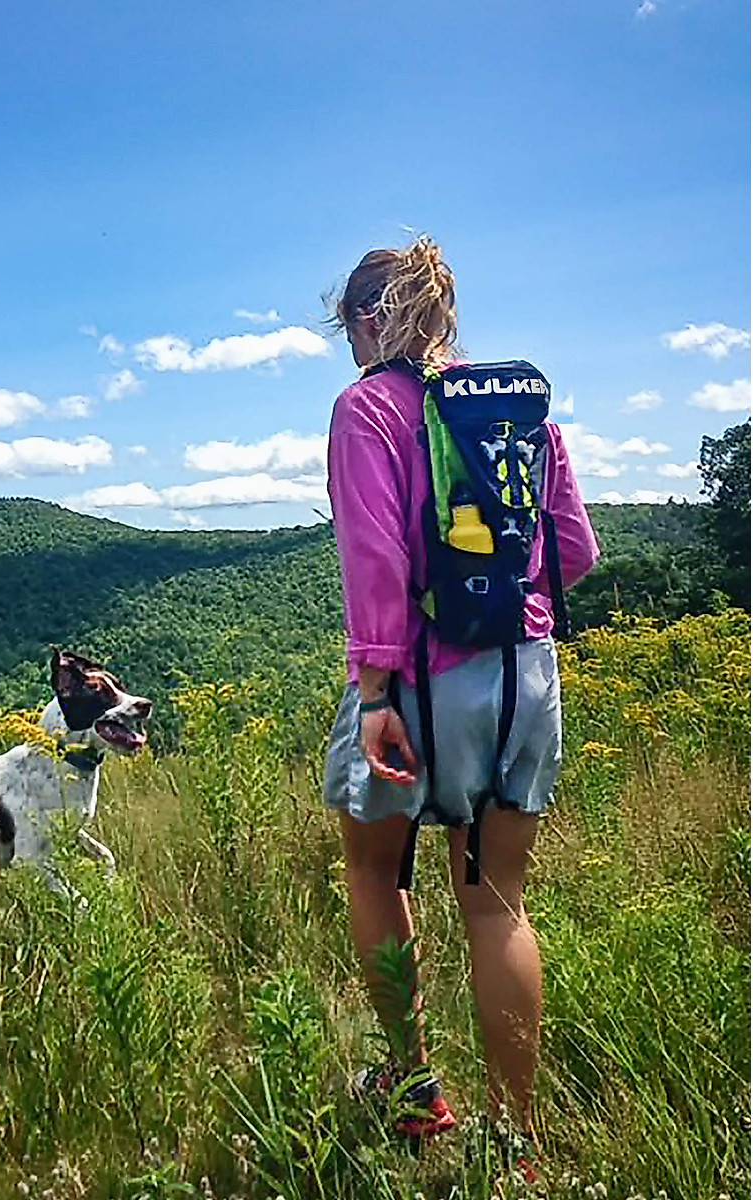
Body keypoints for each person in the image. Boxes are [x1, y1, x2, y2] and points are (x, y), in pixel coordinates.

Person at [321, 235, 599, 1152]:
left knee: (375, 872)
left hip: (415, 684)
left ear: (370, 318)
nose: (350, 346)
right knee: (496, 903)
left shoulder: (370, 408)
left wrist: (373, 696)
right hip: (523, 675)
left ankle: (416, 1098)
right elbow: (575, 552)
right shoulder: (519, 411)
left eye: (347, 327)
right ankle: (514, 1140)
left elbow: (375, 565)